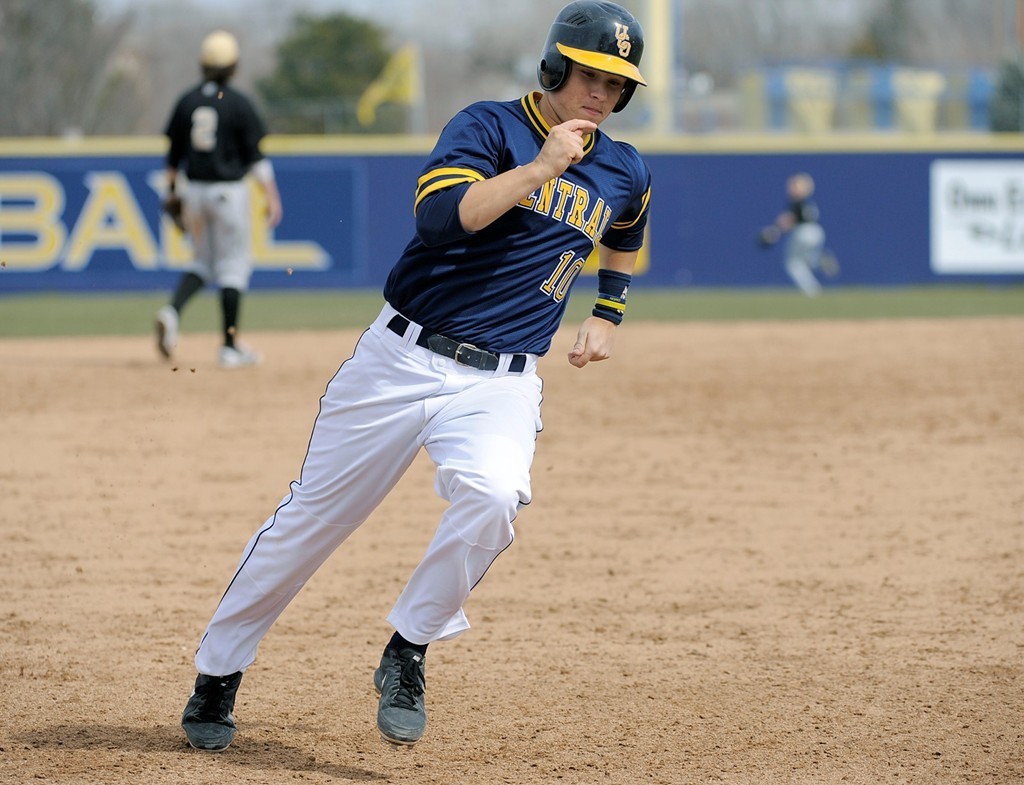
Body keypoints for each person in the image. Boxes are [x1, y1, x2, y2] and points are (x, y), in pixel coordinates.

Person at [178, 0, 651, 752]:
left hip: (502, 379)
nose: (602, 91)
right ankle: (218, 671)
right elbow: (441, 221)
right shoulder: (488, 127)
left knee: (495, 498)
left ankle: (409, 647)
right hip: (399, 359)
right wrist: (538, 169)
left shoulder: (625, 168)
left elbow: (625, 228)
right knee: (310, 524)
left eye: (617, 81)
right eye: (590, 73)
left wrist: (609, 312)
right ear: (556, 66)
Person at [156, 30, 283, 369]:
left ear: (203, 65)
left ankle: (171, 312)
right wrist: (271, 196)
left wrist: (172, 194)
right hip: (228, 191)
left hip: (193, 190)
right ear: (233, 66)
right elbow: (256, 158)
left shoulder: (187, 101)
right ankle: (229, 346)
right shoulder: (239, 103)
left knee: (202, 261)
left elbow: (171, 159)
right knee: (233, 266)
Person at [757, 172, 838, 297]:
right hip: (817, 232)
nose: (789, 188)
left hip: (802, 232)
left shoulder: (797, 202)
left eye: (793, 186)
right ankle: (821, 261)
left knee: (792, 263)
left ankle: (812, 291)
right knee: (808, 261)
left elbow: (788, 220)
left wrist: (774, 231)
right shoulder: (809, 203)